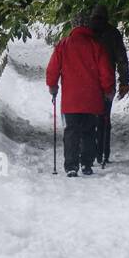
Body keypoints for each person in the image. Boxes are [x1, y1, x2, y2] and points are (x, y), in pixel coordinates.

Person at [46, 12, 114, 177]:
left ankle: (71, 165)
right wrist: (108, 90)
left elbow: (52, 69)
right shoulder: (95, 46)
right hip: (91, 98)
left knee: (71, 131)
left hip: (71, 100)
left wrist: (53, 86)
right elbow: (106, 71)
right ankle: (87, 164)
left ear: (73, 24)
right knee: (89, 131)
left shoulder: (63, 44)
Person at [88, 4, 129, 167]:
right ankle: (103, 154)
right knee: (105, 118)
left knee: (90, 118)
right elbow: (122, 60)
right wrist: (124, 82)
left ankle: (90, 153)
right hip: (108, 82)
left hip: (88, 82)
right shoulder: (113, 33)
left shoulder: (87, 33)